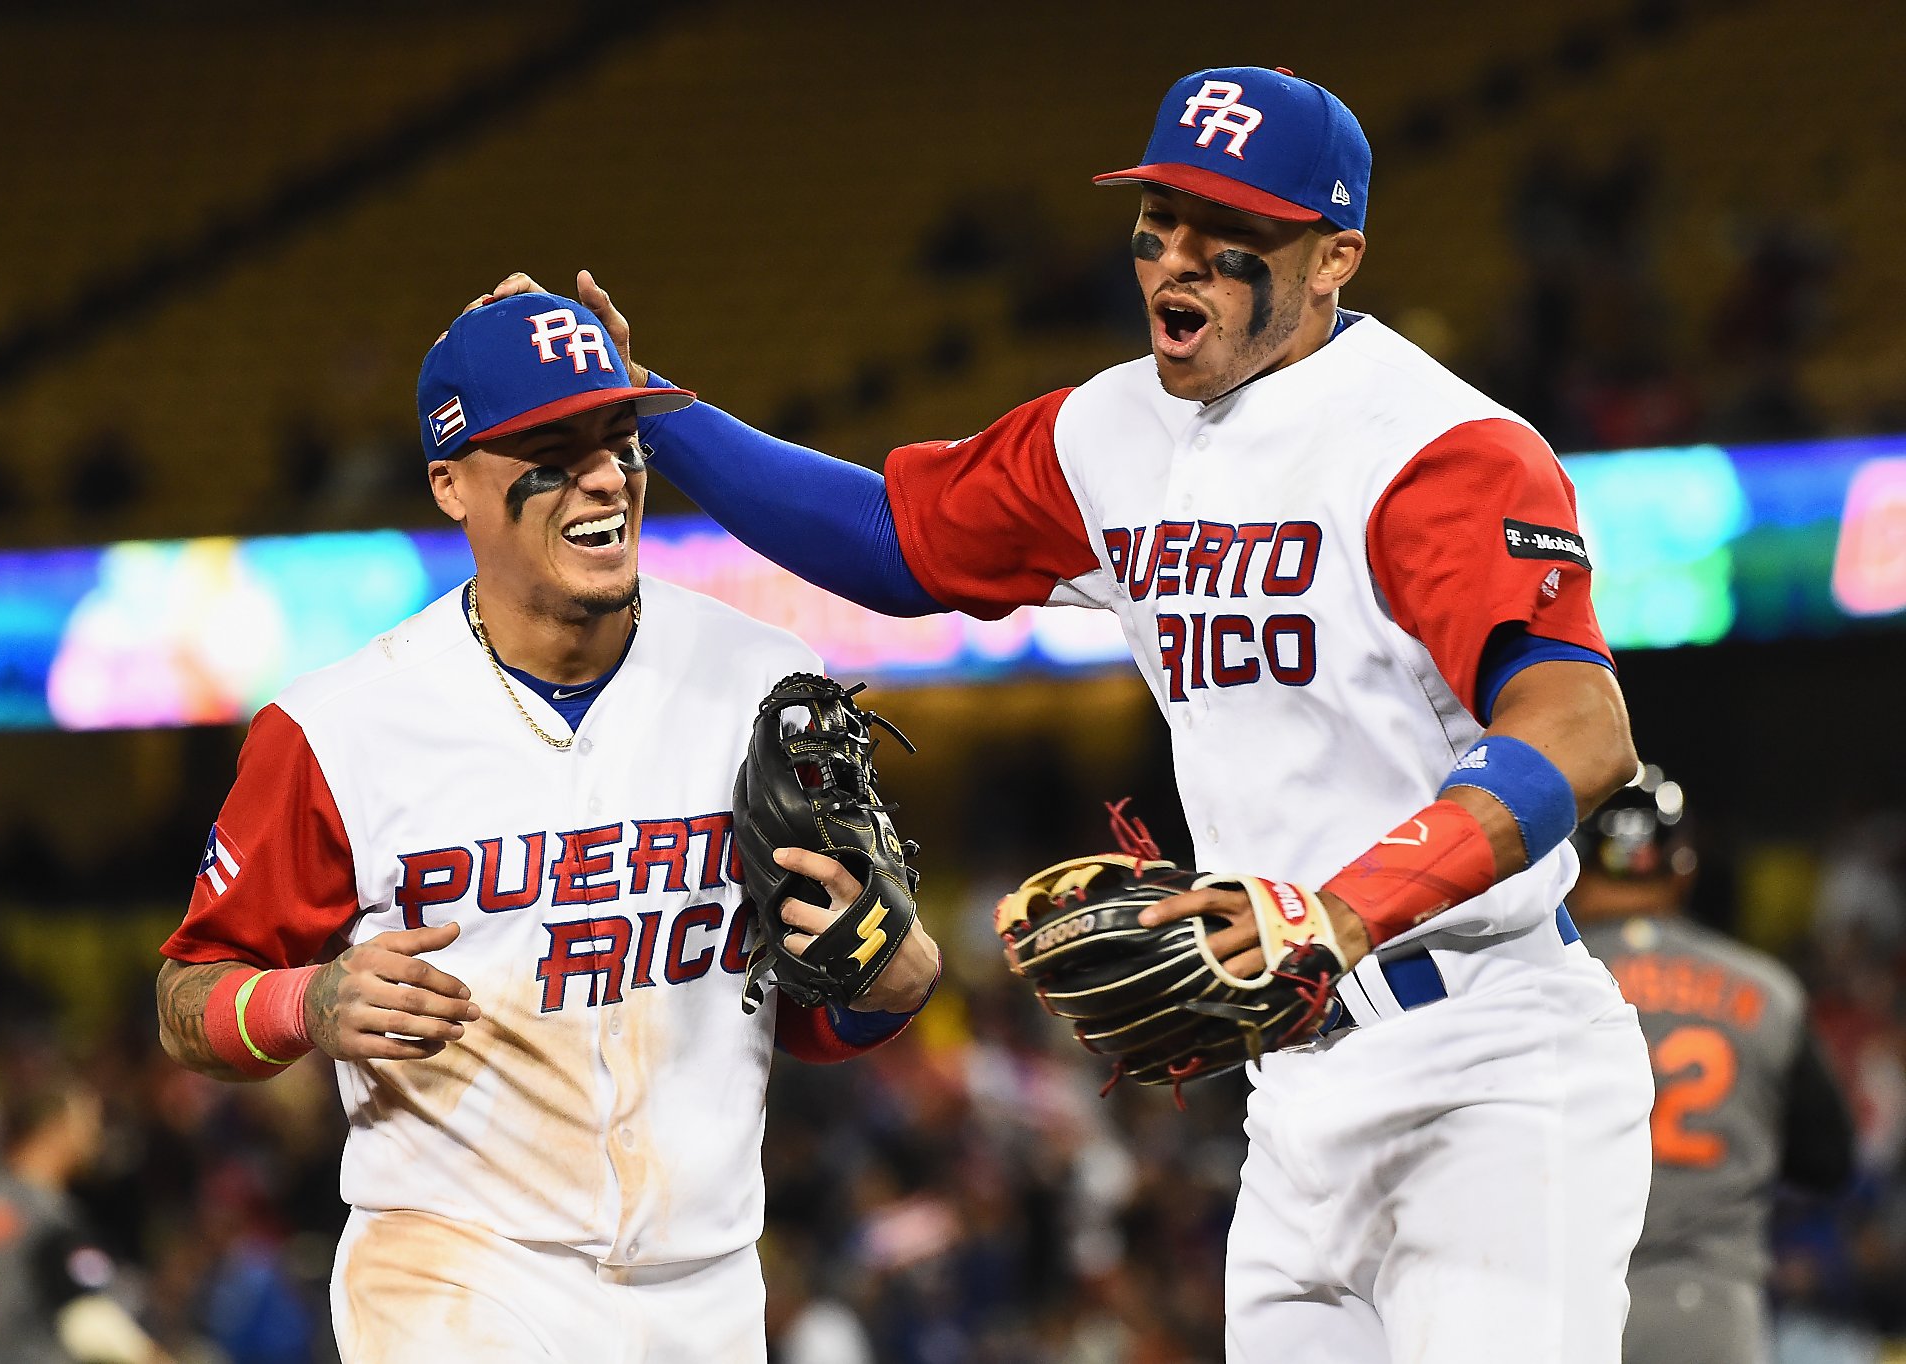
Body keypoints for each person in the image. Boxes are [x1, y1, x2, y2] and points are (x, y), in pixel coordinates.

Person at [476, 62, 1651, 1363]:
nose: (1177, 260)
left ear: (1335, 257)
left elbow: (1577, 729)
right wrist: (648, 407)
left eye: (1229, 233)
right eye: (1159, 221)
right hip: (1294, 1085)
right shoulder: (1110, 431)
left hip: (1489, 1067)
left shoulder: (1435, 448)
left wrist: (1345, 908)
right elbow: (889, 539)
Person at [153, 291, 941, 1364]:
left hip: (705, 1284)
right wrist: (309, 1000)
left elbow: (808, 1010)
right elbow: (187, 1001)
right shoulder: (336, 727)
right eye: (553, 453)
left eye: (618, 440)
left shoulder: (762, 681)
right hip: (452, 1273)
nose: (605, 477)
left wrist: (888, 984)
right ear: (451, 483)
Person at [1573, 766, 1856, 1364]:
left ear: (1574, 863)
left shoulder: (1532, 990)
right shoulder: (1769, 991)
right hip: (1709, 1310)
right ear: (1684, 867)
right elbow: (1828, 1164)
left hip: (1568, 1305)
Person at [0, 1071, 168, 1364]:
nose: (94, 1135)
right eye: (85, 1122)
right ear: (55, 1127)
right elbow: (91, 1319)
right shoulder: (49, 1217)